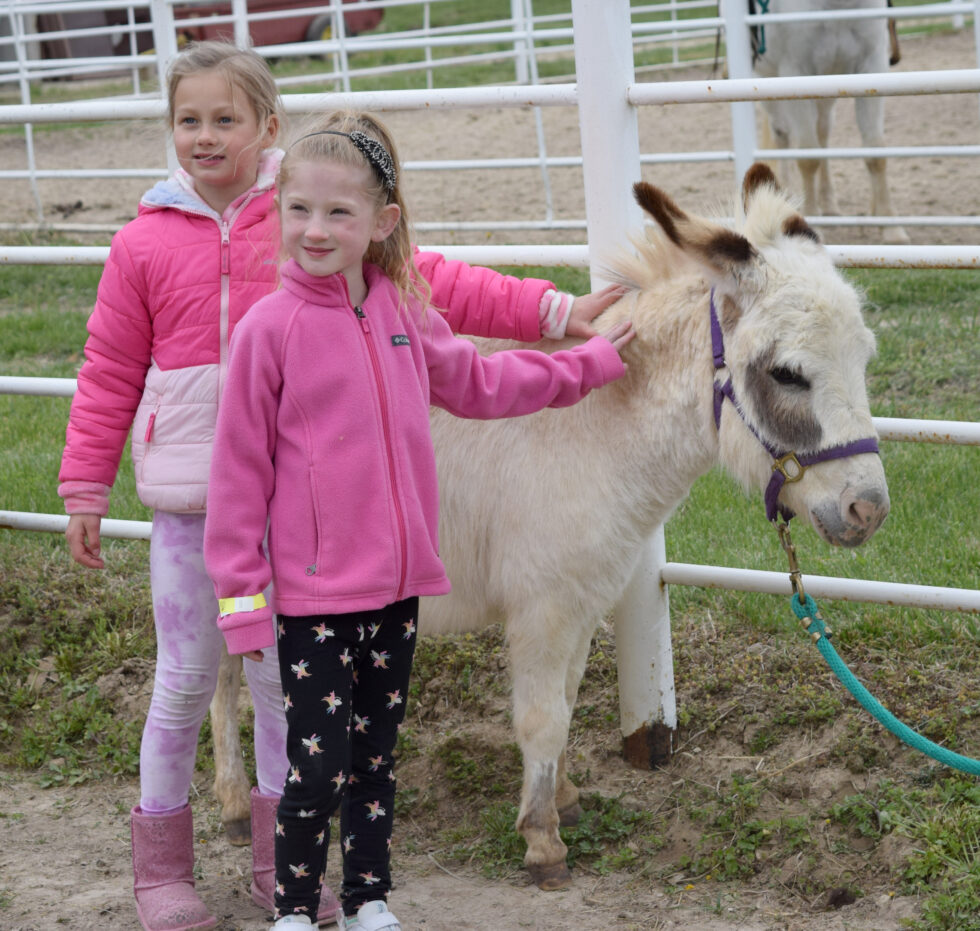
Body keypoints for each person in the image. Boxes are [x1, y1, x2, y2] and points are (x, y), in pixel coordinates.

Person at [56, 41, 626, 931]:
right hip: (189, 504)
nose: (205, 136)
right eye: (188, 119)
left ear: (268, 129)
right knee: (183, 679)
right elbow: (108, 368)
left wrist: (554, 315)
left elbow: (439, 287)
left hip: (292, 516)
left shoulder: (322, 209)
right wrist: (84, 485)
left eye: (225, 119)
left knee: (287, 696)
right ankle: (160, 863)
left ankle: (273, 865)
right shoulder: (143, 244)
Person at [202, 110, 635, 931]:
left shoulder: (402, 311)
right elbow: (237, 482)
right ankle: (295, 908)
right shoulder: (269, 332)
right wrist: (242, 602)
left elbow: (481, 383)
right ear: (276, 213)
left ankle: (369, 899)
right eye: (299, 210)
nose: (316, 229)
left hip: (397, 595)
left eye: (339, 213)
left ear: (382, 223)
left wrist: (591, 363)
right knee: (315, 768)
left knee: (375, 763)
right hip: (314, 602)